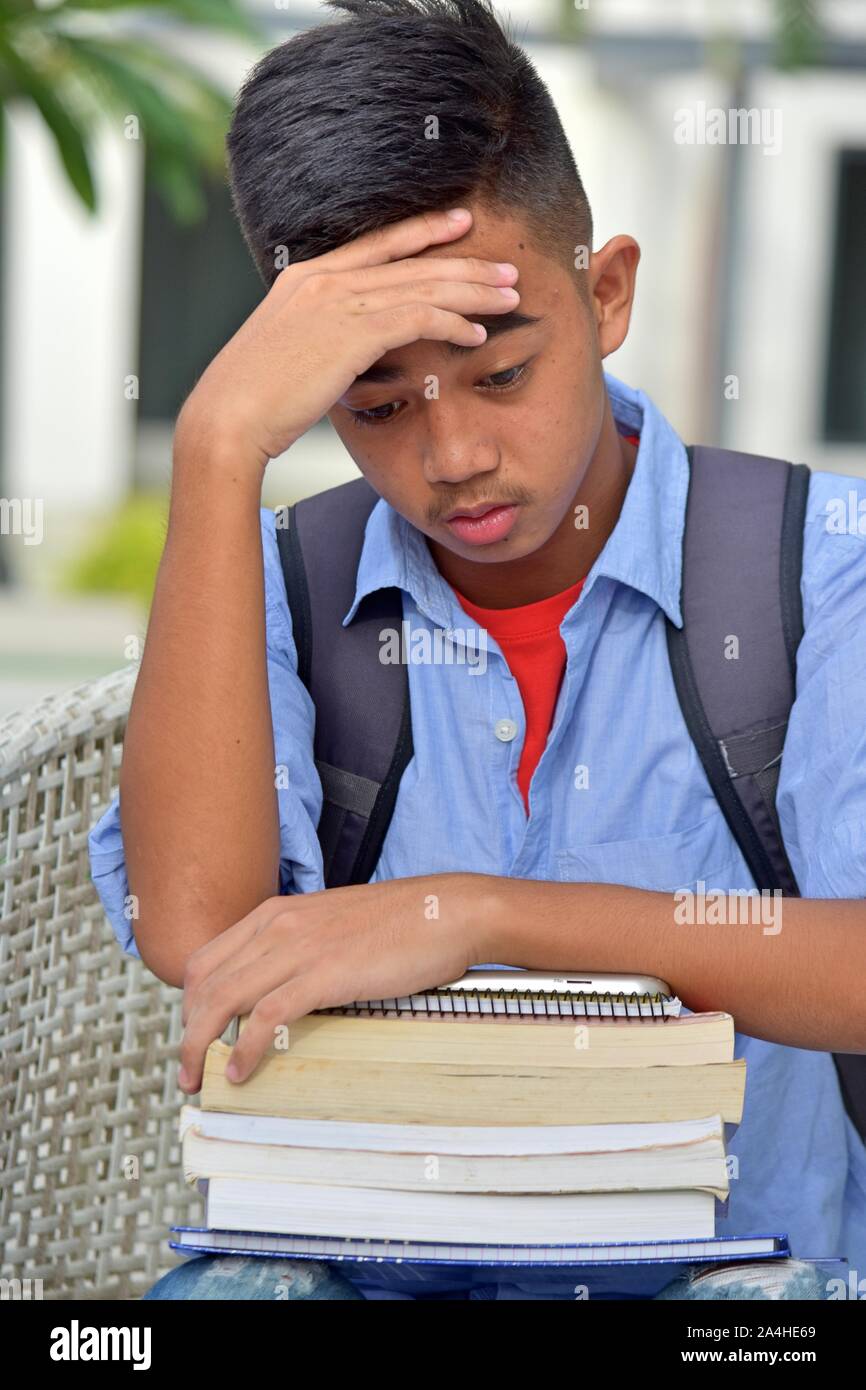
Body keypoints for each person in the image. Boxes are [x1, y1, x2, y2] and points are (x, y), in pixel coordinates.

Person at [89, 0, 866, 1301]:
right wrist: (216, 449)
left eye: (499, 373)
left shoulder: (815, 567)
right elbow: (198, 930)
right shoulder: (279, 580)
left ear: (605, 292)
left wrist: (478, 914)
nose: (449, 458)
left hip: (737, 1285)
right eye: (376, 403)